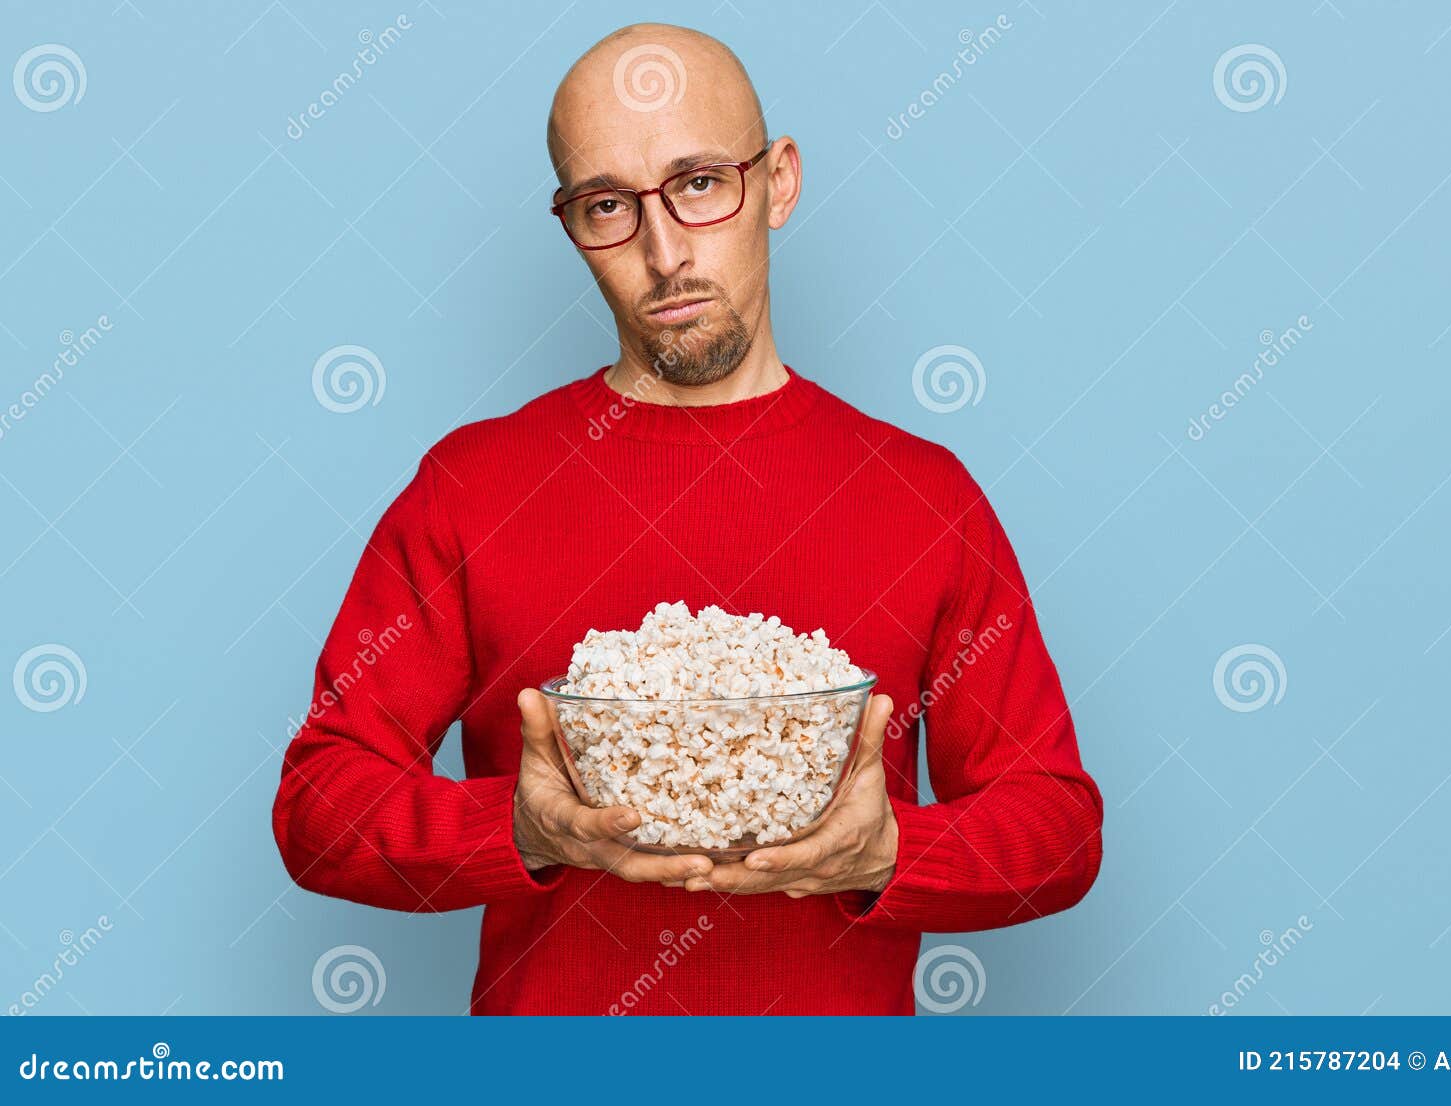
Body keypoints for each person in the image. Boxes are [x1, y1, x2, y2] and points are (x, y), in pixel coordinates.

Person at [271, 22, 1103, 1015]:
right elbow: (319, 806)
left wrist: (889, 849)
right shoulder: (471, 486)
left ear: (778, 181)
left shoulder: (924, 494)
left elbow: (1056, 826)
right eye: (608, 206)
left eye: (700, 183)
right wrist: (522, 830)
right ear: (571, 224)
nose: (665, 254)